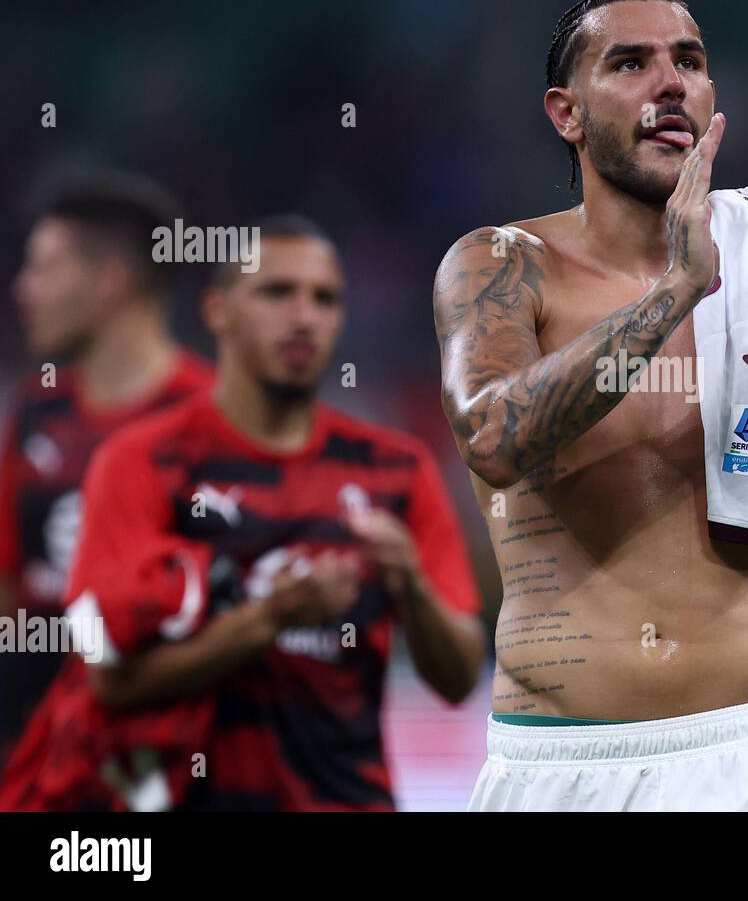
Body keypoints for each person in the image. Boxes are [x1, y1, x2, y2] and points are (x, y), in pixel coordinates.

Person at [434, 0, 748, 811]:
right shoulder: (501, 263)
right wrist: (678, 291)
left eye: (688, 62)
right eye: (630, 63)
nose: (670, 84)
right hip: (558, 767)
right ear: (566, 113)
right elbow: (494, 439)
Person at [0, 216, 484, 810]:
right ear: (217, 311)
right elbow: (109, 678)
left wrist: (410, 582)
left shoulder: (395, 469)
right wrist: (270, 618)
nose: (304, 316)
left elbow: (461, 679)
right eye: (276, 293)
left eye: (324, 299)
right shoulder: (144, 462)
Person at [0, 171, 212, 771]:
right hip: (37, 756)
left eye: (43, 267)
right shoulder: (37, 411)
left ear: (109, 281)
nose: (22, 288)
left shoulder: (209, 420)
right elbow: (12, 593)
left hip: (170, 763)